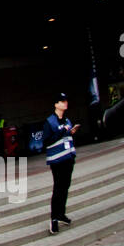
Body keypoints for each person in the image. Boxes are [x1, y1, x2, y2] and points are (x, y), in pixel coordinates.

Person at [44, 93, 79, 234]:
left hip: (68, 158)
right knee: (58, 188)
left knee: (65, 187)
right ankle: (53, 219)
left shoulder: (67, 120)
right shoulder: (50, 122)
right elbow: (46, 141)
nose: (65, 103)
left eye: (66, 100)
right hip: (57, 161)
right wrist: (62, 132)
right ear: (55, 104)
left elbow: (66, 136)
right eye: (62, 101)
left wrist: (71, 132)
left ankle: (61, 214)